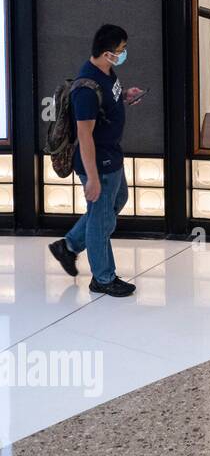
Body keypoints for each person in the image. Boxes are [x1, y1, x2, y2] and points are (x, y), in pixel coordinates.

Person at [47, 24, 146, 297]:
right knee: (101, 220)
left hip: (111, 155)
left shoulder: (106, 72)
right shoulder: (86, 90)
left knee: (115, 203)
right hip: (98, 162)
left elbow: (110, 98)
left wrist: (125, 96)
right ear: (106, 53)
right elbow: (85, 135)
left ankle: (67, 246)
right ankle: (103, 278)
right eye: (121, 51)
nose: (124, 54)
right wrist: (91, 177)